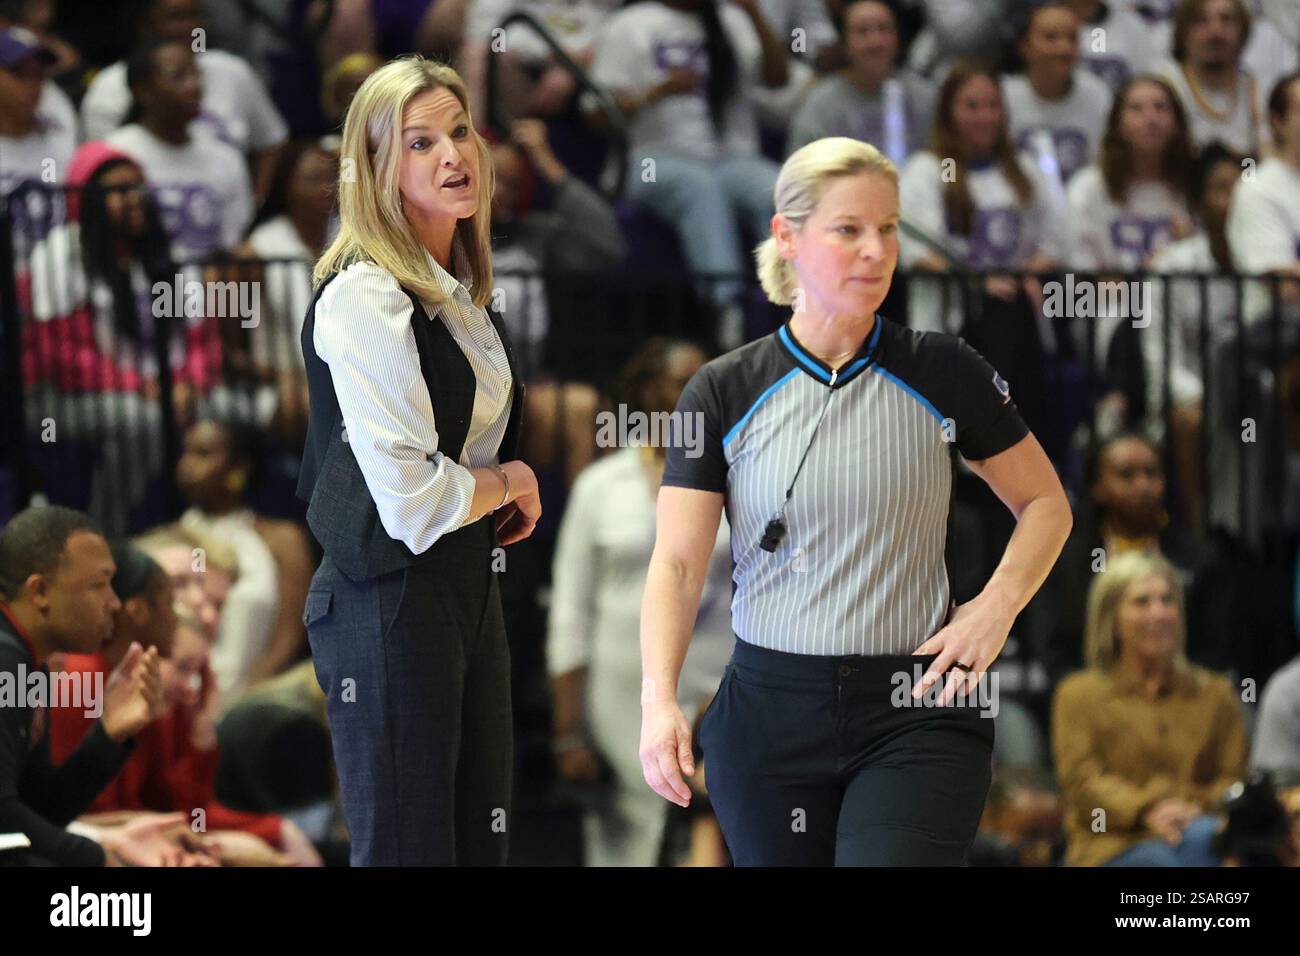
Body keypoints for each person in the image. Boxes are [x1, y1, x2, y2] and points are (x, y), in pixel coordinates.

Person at [640, 137, 1073, 866]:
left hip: (915, 712)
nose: (876, 250)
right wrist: (659, 700)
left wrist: (995, 608)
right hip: (769, 714)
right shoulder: (721, 389)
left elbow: (1047, 506)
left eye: (889, 228)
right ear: (788, 236)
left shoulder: (944, 369)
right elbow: (678, 567)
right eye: (849, 229)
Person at [298, 56, 540, 866]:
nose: (453, 155)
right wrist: (510, 481)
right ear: (373, 168)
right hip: (385, 598)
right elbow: (409, 499)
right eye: (419, 141)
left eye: (460, 131)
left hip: (464, 589)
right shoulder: (365, 294)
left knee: (479, 849)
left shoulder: (455, 293)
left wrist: (492, 487)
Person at [548, 338, 732, 866]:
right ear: (648, 392)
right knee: (626, 841)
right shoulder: (600, 486)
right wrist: (567, 732)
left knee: (709, 830)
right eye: (684, 382)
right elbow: (570, 612)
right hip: (620, 695)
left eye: (708, 381)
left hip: (715, 691)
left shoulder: (735, 478)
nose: (701, 394)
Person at [0, 505, 205, 866]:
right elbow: (4, 822)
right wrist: (102, 855)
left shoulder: (31, 666)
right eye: (99, 585)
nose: (114, 603)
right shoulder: (6, 660)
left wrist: (108, 735)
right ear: (40, 591)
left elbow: (40, 808)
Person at [587, 0, 789, 344]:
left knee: (783, 188)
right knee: (700, 186)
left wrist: (755, 14)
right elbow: (597, 115)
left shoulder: (733, 20)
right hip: (650, 161)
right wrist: (658, 92)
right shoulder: (630, 25)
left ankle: (796, 300)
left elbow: (777, 79)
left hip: (731, 160)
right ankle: (726, 314)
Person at [1052, 550, 1249, 866]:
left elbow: (1233, 778)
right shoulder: (1077, 695)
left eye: (1167, 600)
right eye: (1141, 602)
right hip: (1110, 842)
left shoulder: (1215, 693)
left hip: (1199, 826)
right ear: (1111, 618)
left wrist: (1192, 808)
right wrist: (1147, 809)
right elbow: (1084, 782)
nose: (1159, 613)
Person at [105, 38, 255, 264]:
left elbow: (232, 242)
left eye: (196, 74)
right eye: (178, 76)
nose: (195, 86)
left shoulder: (226, 157)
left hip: (211, 291)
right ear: (142, 91)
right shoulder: (116, 153)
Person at [786, 0, 936, 163]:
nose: (875, 42)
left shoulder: (925, 96)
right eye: (862, 32)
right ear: (845, 44)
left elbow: (947, 162)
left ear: (898, 38)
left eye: (883, 29)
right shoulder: (820, 105)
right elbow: (798, 174)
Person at [1001, 1, 1113, 191]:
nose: (1064, 48)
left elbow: (1104, 173)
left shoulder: (1098, 95)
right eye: (1050, 38)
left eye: (1072, 38)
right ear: (1024, 46)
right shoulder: (1002, 96)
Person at [1155, 0, 1267, 155]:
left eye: (1226, 19)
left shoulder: (1257, 89)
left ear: (1242, 31)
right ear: (1183, 33)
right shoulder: (1164, 88)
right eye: (1201, 21)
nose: (1215, 31)